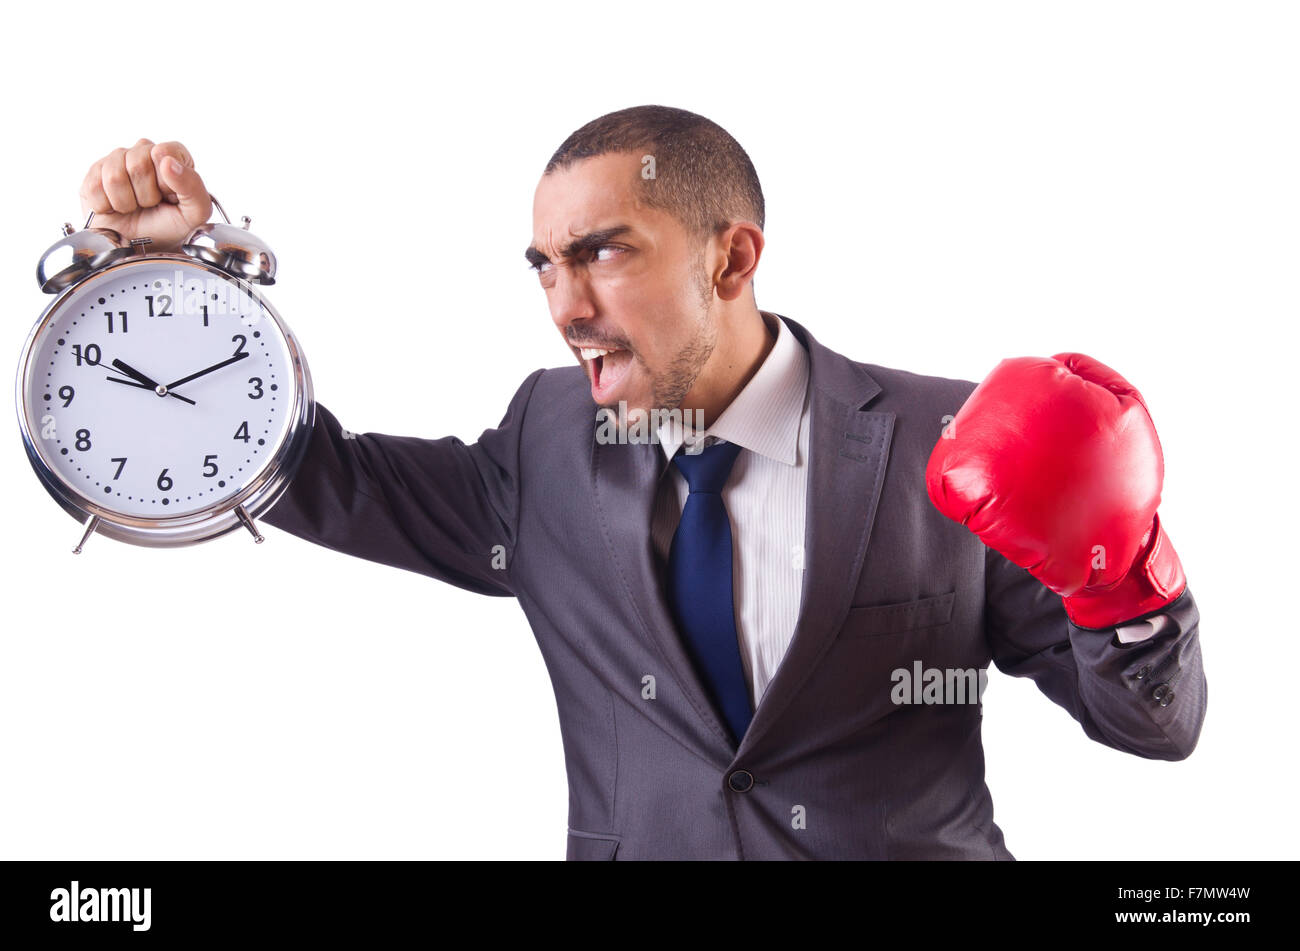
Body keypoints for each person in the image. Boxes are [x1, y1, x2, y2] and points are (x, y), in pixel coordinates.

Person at [78, 105, 1206, 860]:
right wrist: (177, 280)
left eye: (604, 252)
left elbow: (1152, 730)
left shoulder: (940, 437)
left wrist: (1125, 570)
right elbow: (313, 477)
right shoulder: (544, 443)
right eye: (544, 265)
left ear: (730, 257)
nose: (564, 304)